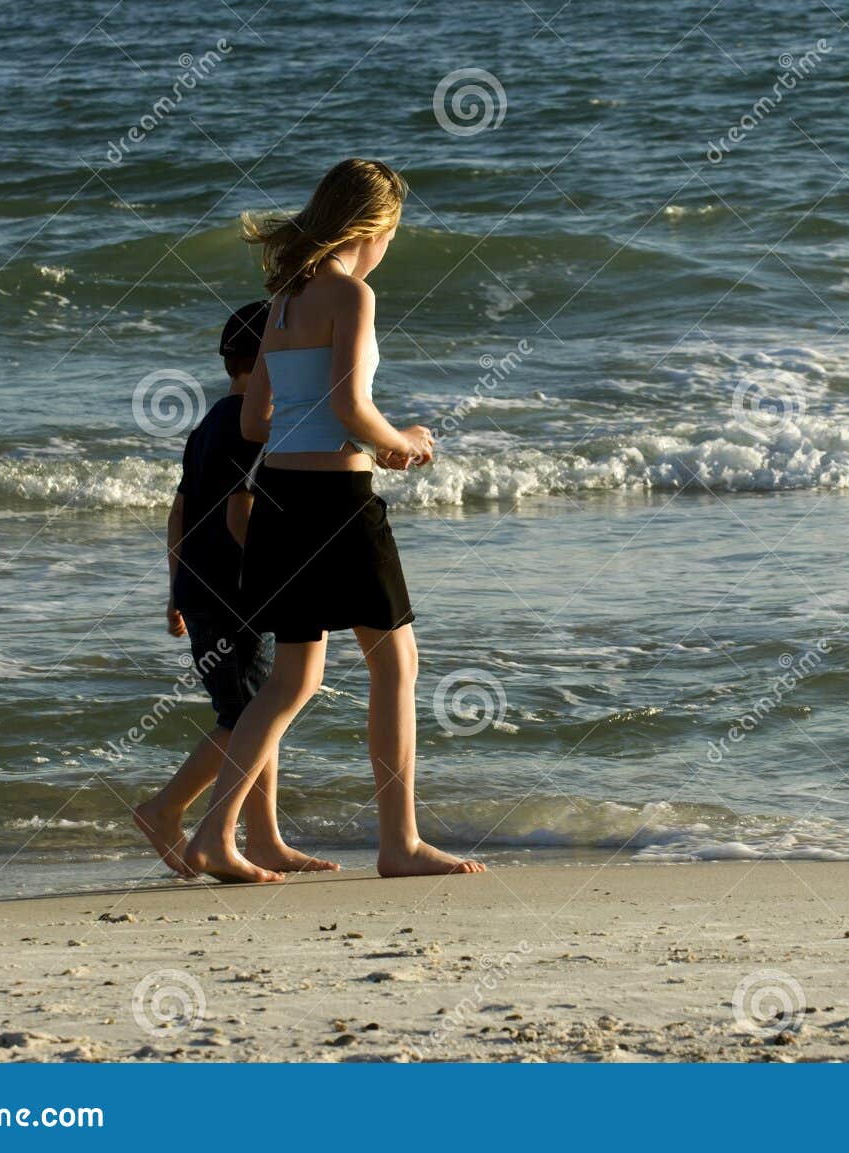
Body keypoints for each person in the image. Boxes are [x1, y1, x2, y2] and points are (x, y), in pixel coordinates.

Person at [183, 158, 485, 883]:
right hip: (339, 510)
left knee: (291, 680)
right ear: (374, 226)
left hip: (282, 503)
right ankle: (399, 843)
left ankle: (214, 835)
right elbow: (351, 408)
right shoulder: (352, 293)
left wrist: (344, 432)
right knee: (396, 664)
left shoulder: (283, 299)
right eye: (391, 235)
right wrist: (400, 442)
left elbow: (258, 420)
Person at [133, 301, 338, 881]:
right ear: (276, 357)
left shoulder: (211, 422)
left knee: (254, 707)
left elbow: (180, 510)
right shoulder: (256, 423)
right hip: (236, 591)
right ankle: (165, 809)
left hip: (202, 587)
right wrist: (276, 581)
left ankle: (265, 838)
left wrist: (176, 585)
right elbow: (240, 512)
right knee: (245, 715)